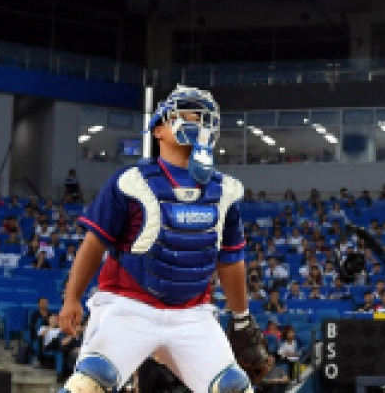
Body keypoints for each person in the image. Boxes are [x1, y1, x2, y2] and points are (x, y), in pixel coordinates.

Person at [56, 86, 261, 393]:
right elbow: (93, 243)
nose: (195, 122)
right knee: (90, 383)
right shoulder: (130, 181)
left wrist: (242, 317)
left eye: (201, 118)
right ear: (159, 130)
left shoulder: (226, 191)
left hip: (193, 314)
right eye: (184, 115)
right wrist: (72, 298)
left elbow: (230, 260)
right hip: (127, 306)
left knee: (233, 388)